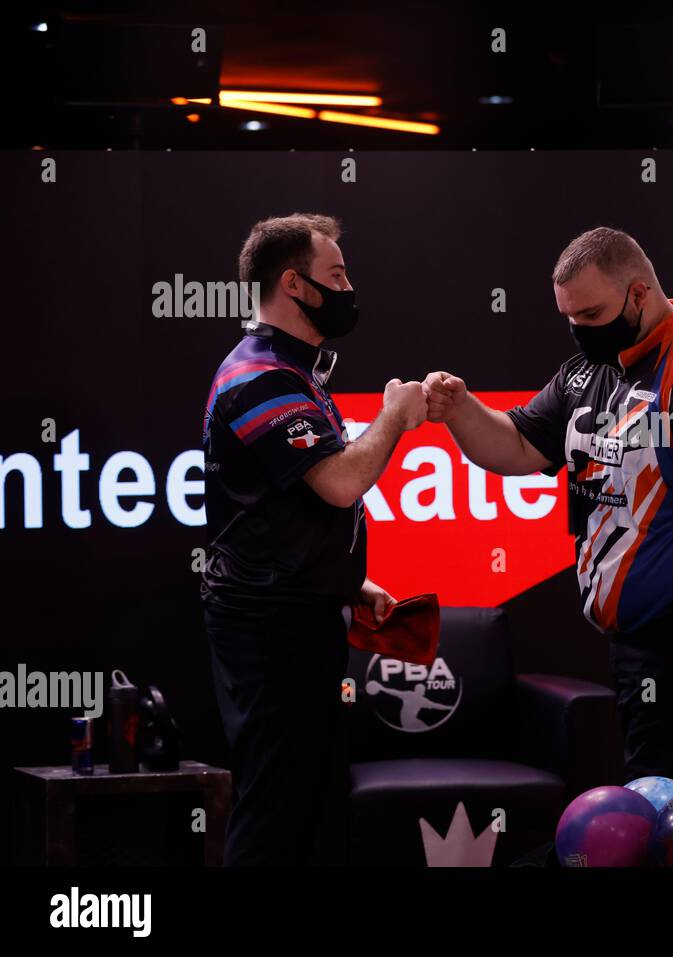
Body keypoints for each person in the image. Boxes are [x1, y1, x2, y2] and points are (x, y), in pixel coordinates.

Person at [423, 226, 673, 789]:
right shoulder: (589, 371)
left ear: (639, 294)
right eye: (569, 317)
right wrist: (459, 410)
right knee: (661, 789)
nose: (580, 330)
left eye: (592, 314)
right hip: (645, 632)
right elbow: (520, 447)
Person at [200, 213, 427, 864]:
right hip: (268, 625)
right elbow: (339, 482)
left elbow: (290, 505)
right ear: (295, 285)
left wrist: (348, 581)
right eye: (337, 275)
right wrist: (395, 417)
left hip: (300, 611)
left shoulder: (294, 370)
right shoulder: (259, 375)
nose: (350, 287)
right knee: (275, 807)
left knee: (307, 804)